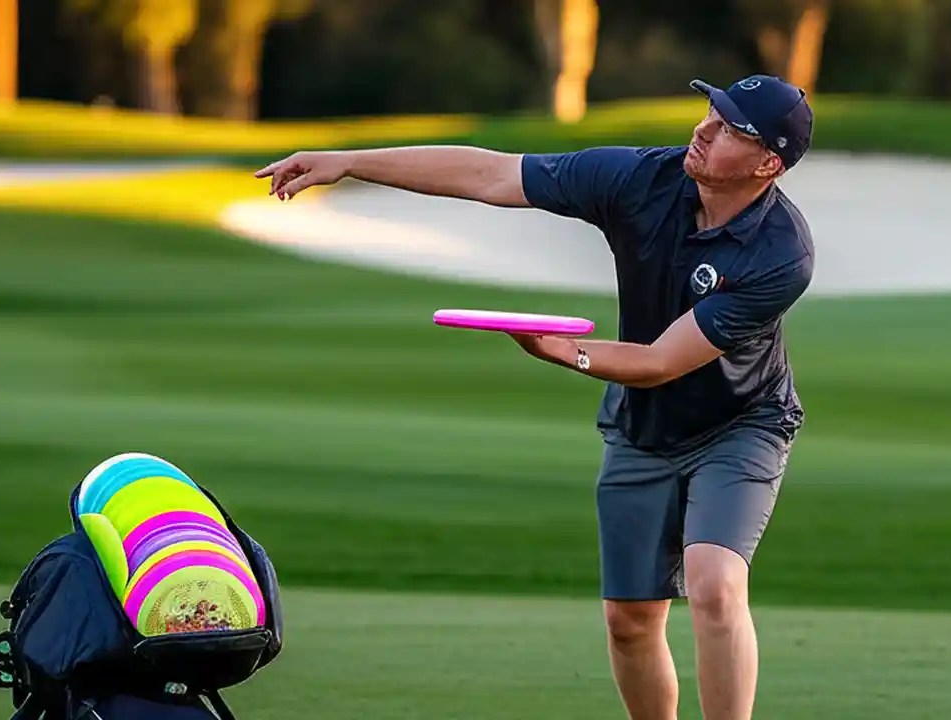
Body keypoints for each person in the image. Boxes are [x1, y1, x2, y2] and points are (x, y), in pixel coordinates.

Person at [255, 74, 815, 720]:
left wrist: (564, 351)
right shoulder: (640, 179)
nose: (703, 130)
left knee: (715, 585)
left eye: (729, 129)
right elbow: (491, 174)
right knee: (630, 620)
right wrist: (350, 162)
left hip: (739, 425)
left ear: (768, 164)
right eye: (709, 113)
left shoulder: (782, 255)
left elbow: (660, 360)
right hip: (643, 426)